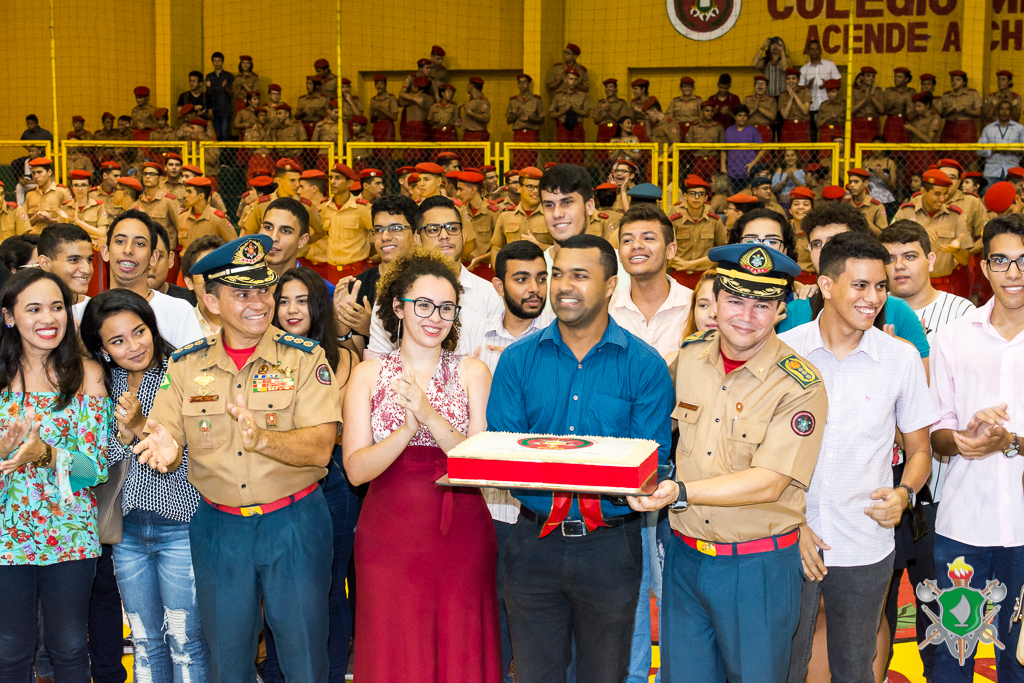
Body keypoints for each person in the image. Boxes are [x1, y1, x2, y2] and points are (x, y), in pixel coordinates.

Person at [133, 233, 341, 683]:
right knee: (228, 662)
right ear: (210, 300)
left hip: (294, 524)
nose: (258, 303)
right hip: (219, 529)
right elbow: (164, 435)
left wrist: (264, 440)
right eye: (241, 292)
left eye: (264, 289)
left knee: (305, 657)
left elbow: (322, 446)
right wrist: (165, 450)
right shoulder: (185, 366)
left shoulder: (305, 359)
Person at [629, 241, 826, 683]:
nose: (745, 315)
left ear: (780, 310)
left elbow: (770, 483)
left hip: (755, 569)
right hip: (685, 559)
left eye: (762, 304)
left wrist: (679, 492)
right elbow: (652, 423)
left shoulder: (800, 385)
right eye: (735, 300)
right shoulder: (690, 357)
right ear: (714, 301)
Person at [486, 232, 673, 683]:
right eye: (558, 274)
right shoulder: (517, 361)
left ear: (611, 285)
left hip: (611, 546)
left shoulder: (644, 366)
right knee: (533, 674)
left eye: (580, 275)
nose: (563, 285)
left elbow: (650, 463)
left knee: (605, 675)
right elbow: (504, 452)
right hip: (532, 544)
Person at [780, 231, 937, 683]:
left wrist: (905, 492)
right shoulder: (784, 352)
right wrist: (793, 522)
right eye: (861, 286)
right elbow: (756, 454)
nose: (874, 298)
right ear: (826, 286)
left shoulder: (900, 359)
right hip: (791, 538)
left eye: (881, 286)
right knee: (785, 665)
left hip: (866, 540)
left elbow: (920, 448)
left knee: (856, 666)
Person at [342, 247, 500, 682]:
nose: (435, 317)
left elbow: (480, 463)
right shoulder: (367, 375)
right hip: (388, 536)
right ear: (398, 307)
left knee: (460, 648)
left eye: (446, 307)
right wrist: (406, 431)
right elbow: (355, 469)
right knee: (396, 648)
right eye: (424, 304)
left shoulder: (473, 372)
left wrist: (430, 416)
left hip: (462, 532)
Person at [79, 289, 211, 683]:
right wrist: (118, 437)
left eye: (139, 332)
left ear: (152, 327)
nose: (133, 346)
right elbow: (94, 466)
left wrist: (137, 426)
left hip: (182, 526)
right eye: (117, 341)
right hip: (128, 532)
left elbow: (192, 457)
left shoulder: (184, 372)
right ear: (102, 349)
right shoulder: (103, 383)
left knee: (186, 640)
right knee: (143, 640)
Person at [0, 269, 110, 683]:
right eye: (34, 309)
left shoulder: (88, 376)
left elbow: (95, 470)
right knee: (9, 649)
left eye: (57, 307)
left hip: (68, 535)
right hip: (5, 537)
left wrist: (43, 453)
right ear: (10, 316)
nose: (49, 318)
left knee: (68, 648)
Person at [928, 213, 1024, 682]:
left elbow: (1013, 443)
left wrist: (1012, 444)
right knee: (952, 660)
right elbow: (937, 432)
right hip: (963, 523)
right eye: (1002, 260)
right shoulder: (952, 337)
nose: (1014, 272)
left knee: (1020, 662)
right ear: (985, 267)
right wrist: (963, 441)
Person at [879, 221, 975, 680]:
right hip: (883, 484)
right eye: (890, 257)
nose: (899, 266)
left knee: (938, 608)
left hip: (944, 486)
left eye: (910, 256)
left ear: (930, 259)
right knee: (874, 603)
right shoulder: (868, 310)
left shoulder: (963, 315)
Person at [454, 239, 552, 683]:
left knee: (538, 626)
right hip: (484, 503)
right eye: (521, 278)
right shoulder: (469, 338)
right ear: (497, 285)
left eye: (541, 277)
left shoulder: (560, 338)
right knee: (488, 624)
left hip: (540, 506)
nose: (534, 288)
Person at [260, 268, 359, 683]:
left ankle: (332, 675)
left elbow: (326, 432)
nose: (292, 309)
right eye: (283, 301)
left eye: (302, 300)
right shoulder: (261, 356)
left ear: (319, 306)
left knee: (328, 591)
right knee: (273, 592)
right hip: (268, 483)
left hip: (330, 485)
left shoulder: (343, 359)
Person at [776, 202, 931, 365]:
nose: (824, 251)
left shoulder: (898, 311)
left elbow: (922, 383)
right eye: (816, 244)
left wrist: (899, 354)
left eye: (835, 241)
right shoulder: (793, 313)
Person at [367, 196, 501, 356]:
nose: (444, 235)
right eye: (433, 229)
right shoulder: (393, 293)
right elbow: (377, 360)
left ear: (463, 236)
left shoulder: (490, 295)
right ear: (417, 239)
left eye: (452, 228)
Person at [100, 209, 202, 348]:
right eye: (120, 241)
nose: (128, 250)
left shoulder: (179, 312)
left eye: (139, 244)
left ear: (153, 257)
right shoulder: (87, 313)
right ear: (105, 252)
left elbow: (192, 367)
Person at [894, 169, 973, 297]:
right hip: (909, 285)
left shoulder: (955, 216)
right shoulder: (906, 212)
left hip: (942, 286)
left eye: (945, 193)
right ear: (923, 191)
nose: (942, 198)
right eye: (937, 194)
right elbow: (889, 246)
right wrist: (918, 232)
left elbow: (965, 260)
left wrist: (956, 251)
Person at [669, 175, 727, 288]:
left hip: (706, 276)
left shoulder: (714, 221)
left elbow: (721, 253)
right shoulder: (675, 221)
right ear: (685, 196)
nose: (696, 197)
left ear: (706, 198)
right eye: (692, 193)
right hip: (680, 275)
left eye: (700, 194)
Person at [37, 223, 94, 323]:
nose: (87, 270)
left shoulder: (96, 311)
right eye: (74, 260)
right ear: (45, 263)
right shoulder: (27, 312)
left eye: (89, 260)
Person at [180, 235, 226, 337]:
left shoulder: (246, 320)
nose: (213, 277)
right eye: (206, 270)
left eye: (219, 269)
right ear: (189, 283)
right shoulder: (181, 326)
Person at [134, 163, 181, 251]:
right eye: (145, 174)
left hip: (165, 251)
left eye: (152, 174)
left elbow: (180, 227)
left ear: (160, 178)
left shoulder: (168, 201)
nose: (147, 176)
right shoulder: (139, 202)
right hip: (145, 251)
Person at [799, 40, 840, 136]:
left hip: (828, 105)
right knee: (812, 133)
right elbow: (800, 89)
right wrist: (808, 86)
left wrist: (827, 84)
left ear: (821, 50)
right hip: (811, 107)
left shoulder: (830, 65)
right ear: (808, 51)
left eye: (816, 49)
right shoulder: (804, 69)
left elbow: (839, 82)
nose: (814, 51)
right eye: (811, 49)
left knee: (827, 132)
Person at [978, 100, 1024, 186]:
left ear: (1011, 112)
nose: (1004, 112)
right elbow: (979, 151)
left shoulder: (1020, 129)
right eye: (1002, 109)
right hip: (991, 171)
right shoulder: (988, 128)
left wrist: (1012, 151)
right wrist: (993, 151)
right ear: (997, 111)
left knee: (1012, 197)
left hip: (1012, 171)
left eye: (1007, 109)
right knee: (990, 197)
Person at [721, 105, 765, 193]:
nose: (742, 118)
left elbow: (763, 149)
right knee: (733, 199)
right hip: (732, 173)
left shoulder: (752, 130)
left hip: (748, 173)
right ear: (735, 117)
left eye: (745, 115)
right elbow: (723, 150)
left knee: (748, 199)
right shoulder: (729, 131)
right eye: (740, 115)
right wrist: (723, 167)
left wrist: (753, 163)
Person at [149, 224, 195, 305]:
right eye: (143, 258)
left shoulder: (189, 302)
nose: (149, 265)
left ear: (170, 259)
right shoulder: (120, 302)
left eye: (158, 257)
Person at [507, 74, 545, 169]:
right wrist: (516, 114)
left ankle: (530, 180)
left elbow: (542, 119)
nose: (522, 85)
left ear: (529, 84)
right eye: (520, 82)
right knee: (517, 160)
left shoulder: (536, 100)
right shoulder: (513, 101)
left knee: (530, 159)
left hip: (531, 133)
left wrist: (531, 118)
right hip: (518, 133)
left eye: (524, 82)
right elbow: (508, 120)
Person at [25, 158, 72, 231]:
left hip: (54, 238)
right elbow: (23, 223)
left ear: (49, 172)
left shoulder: (62, 192)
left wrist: (50, 221)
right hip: (33, 237)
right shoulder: (30, 194)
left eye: (39, 172)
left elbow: (70, 220)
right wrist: (35, 218)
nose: (35, 176)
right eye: (33, 173)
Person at [845, 168, 887, 236]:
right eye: (850, 182)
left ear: (865, 183)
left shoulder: (877, 207)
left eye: (856, 182)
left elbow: (883, 236)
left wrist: (866, 222)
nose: (852, 185)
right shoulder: (845, 205)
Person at [204, 52, 234, 142]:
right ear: (212, 62)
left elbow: (232, 94)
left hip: (225, 110)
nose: (217, 63)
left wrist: (225, 87)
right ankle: (220, 155)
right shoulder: (209, 76)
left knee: (225, 134)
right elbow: (208, 94)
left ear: (222, 62)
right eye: (215, 61)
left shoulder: (229, 76)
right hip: (214, 110)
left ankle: (225, 156)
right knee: (218, 136)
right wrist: (208, 87)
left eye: (219, 61)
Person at [745, 75, 778, 144]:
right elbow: (743, 116)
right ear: (754, 86)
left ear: (766, 87)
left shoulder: (771, 100)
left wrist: (759, 109)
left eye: (763, 84)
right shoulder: (747, 99)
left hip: (765, 130)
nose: (760, 86)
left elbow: (773, 116)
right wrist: (754, 109)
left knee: (765, 153)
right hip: (749, 129)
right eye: (758, 83)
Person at [369, 74, 399, 142]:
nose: (379, 86)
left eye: (381, 83)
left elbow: (395, 117)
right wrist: (374, 115)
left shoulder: (391, 98)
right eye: (377, 84)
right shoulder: (373, 99)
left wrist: (381, 109)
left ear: (385, 85)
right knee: (376, 149)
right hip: (376, 126)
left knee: (386, 150)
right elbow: (371, 120)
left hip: (388, 126)